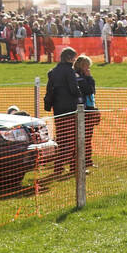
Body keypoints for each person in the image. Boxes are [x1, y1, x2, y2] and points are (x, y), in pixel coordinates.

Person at [43, 46, 82, 176]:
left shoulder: (53, 72)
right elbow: (73, 89)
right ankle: (72, 166)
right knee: (72, 139)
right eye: (73, 58)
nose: (74, 61)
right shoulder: (69, 71)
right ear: (68, 58)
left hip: (58, 109)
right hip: (70, 108)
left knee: (61, 138)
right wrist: (79, 94)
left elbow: (50, 91)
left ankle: (59, 167)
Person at [74, 54, 100, 170]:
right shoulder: (79, 77)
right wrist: (89, 78)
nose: (88, 69)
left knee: (88, 137)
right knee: (83, 137)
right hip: (84, 110)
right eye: (87, 66)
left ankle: (88, 160)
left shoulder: (82, 77)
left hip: (89, 109)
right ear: (82, 66)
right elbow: (90, 90)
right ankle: (80, 161)